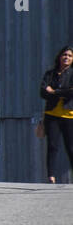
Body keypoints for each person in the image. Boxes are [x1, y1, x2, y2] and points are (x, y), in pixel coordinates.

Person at [40, 45, 73, 183]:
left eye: (70, 56)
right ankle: (51, 176)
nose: (67, 58)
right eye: (64, 55)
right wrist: (62, 92)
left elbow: (71, 92)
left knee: (70, 147)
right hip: (51, 114)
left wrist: (54, 92)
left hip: (69, 115)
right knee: (52, 146)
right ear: (60, 57)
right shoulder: (50, 74)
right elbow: (42, 92)